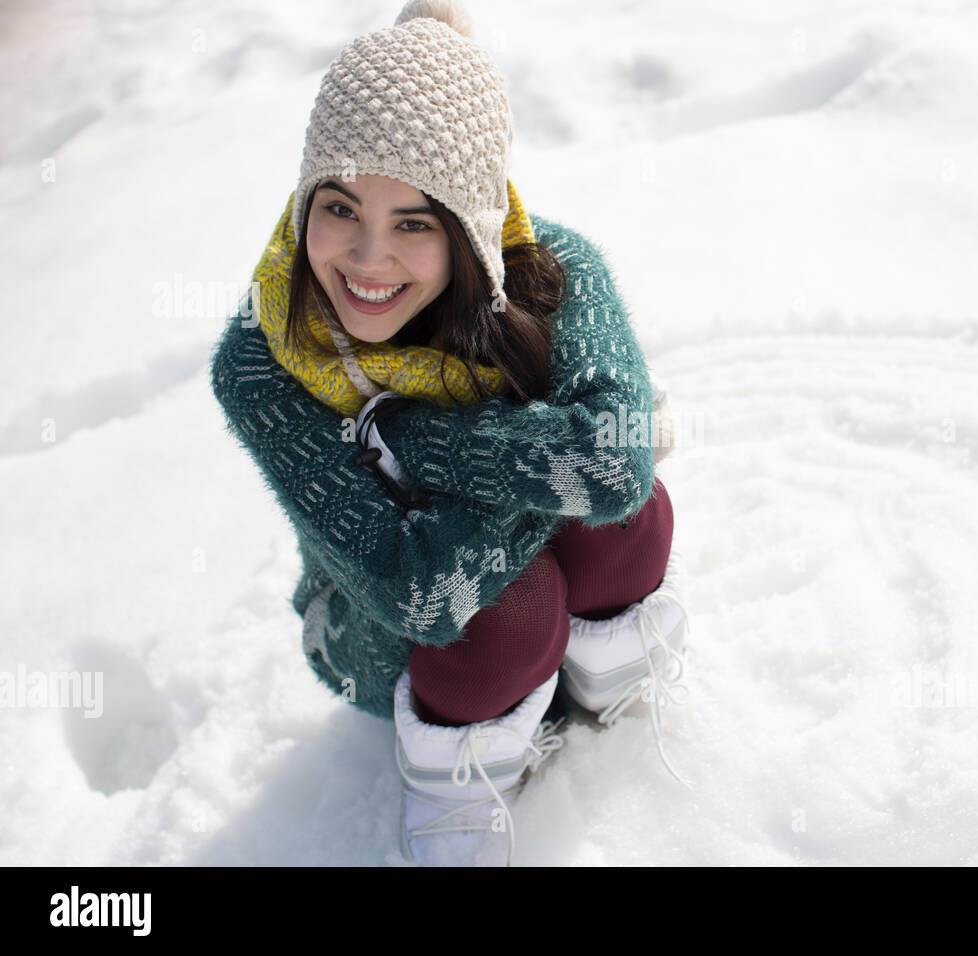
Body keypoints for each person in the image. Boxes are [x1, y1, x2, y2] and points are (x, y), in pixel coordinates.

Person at [208, 0, 688, 867]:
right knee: (509, 601)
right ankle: (456, 779)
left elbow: (615, 474)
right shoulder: (262, 354)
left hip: (460, 541)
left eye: (414, 223)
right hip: (376, 632)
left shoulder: (550, 268)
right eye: (340, 206)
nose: (366, 257)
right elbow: (411, 591)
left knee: (631, 518)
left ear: (471, 226)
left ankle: (599, 688)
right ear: (305, 196)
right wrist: (559, 458)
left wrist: (414, 442)